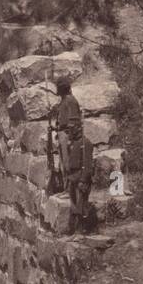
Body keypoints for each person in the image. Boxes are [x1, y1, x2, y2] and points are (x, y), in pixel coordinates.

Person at [52, 78, 93, 234]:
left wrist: (68, 134)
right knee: (64, 162)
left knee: (68, 162)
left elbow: (73, 121)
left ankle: (68, 185)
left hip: (67, 133)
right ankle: (66, 185)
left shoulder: (70, 101)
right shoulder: (65, 100)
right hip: (64, 132)